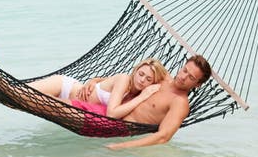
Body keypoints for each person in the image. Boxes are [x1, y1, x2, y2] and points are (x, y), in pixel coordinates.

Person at [106, 54, 212, 150]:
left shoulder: (179, 103)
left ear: (198, 85)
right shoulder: (163, 77)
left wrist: (122, 146)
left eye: (191, 78)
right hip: (111, 115)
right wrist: (97, 81)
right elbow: (135, 77)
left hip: (122, 133)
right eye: (185, 70)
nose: (183, 77)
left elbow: (163, 137)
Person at [28, 58, 169, 121]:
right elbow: (112, 114)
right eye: (141, 74)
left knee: (21, 103)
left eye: (148, 79)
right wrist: (143, 96)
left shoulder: (133, 93)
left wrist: (94, 80)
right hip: (64, 87)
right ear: (135, 71)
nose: (142, 80)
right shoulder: (125, 80)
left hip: (68, 104)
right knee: (18, 94)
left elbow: (167, 83)